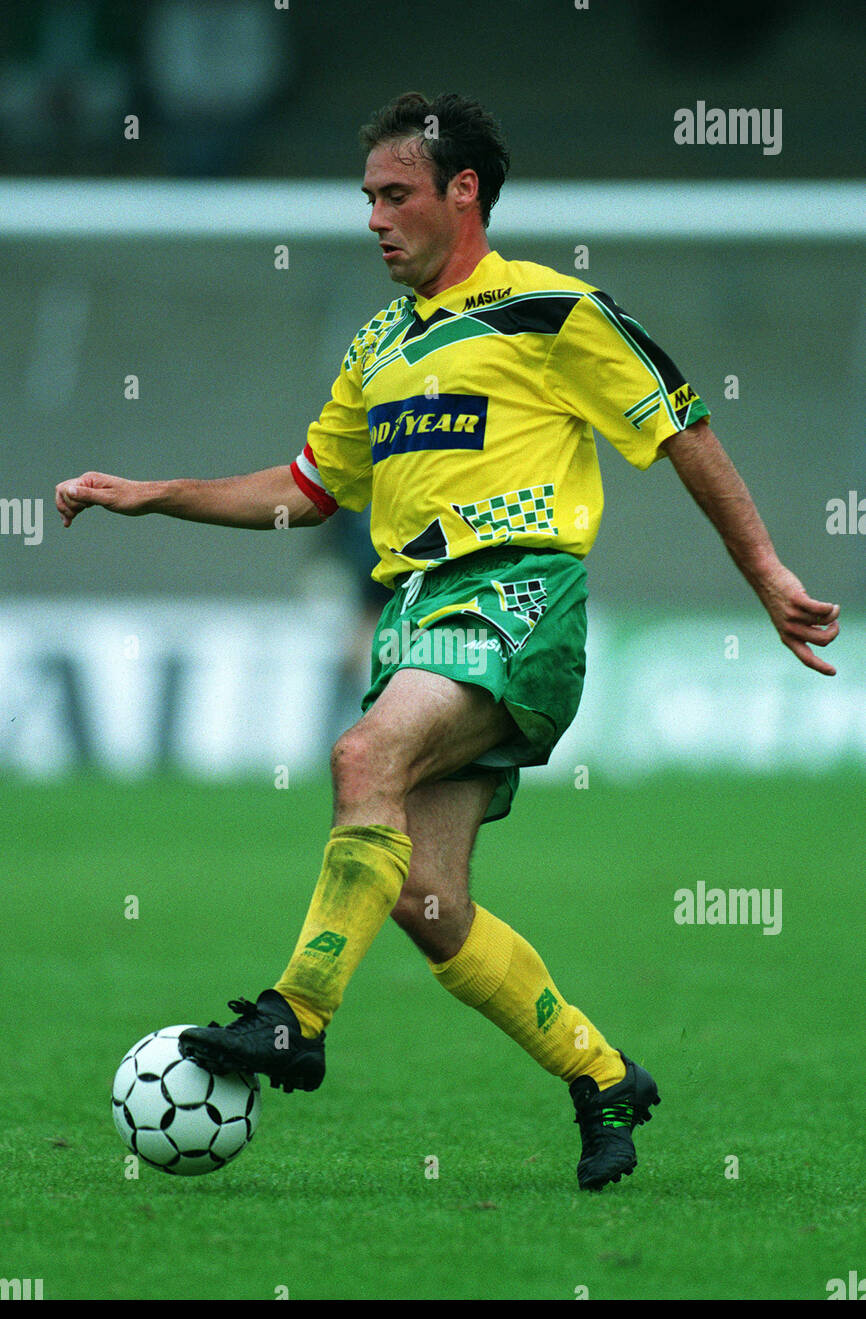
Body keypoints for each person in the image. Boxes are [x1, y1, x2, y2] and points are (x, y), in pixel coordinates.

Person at [55, 92, 840, 1191]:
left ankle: (296, 1013)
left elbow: (682, 429)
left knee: (358, 759)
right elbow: (303, 490)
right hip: (417, 617)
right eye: (366, 197)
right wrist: (156, 493)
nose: (373, 218)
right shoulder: (377, 346)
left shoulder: (549, 311)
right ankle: (600, 1075)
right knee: (427, 902)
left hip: (519, 596)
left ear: (460, 192)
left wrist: (765, 576)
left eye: (395, 195)